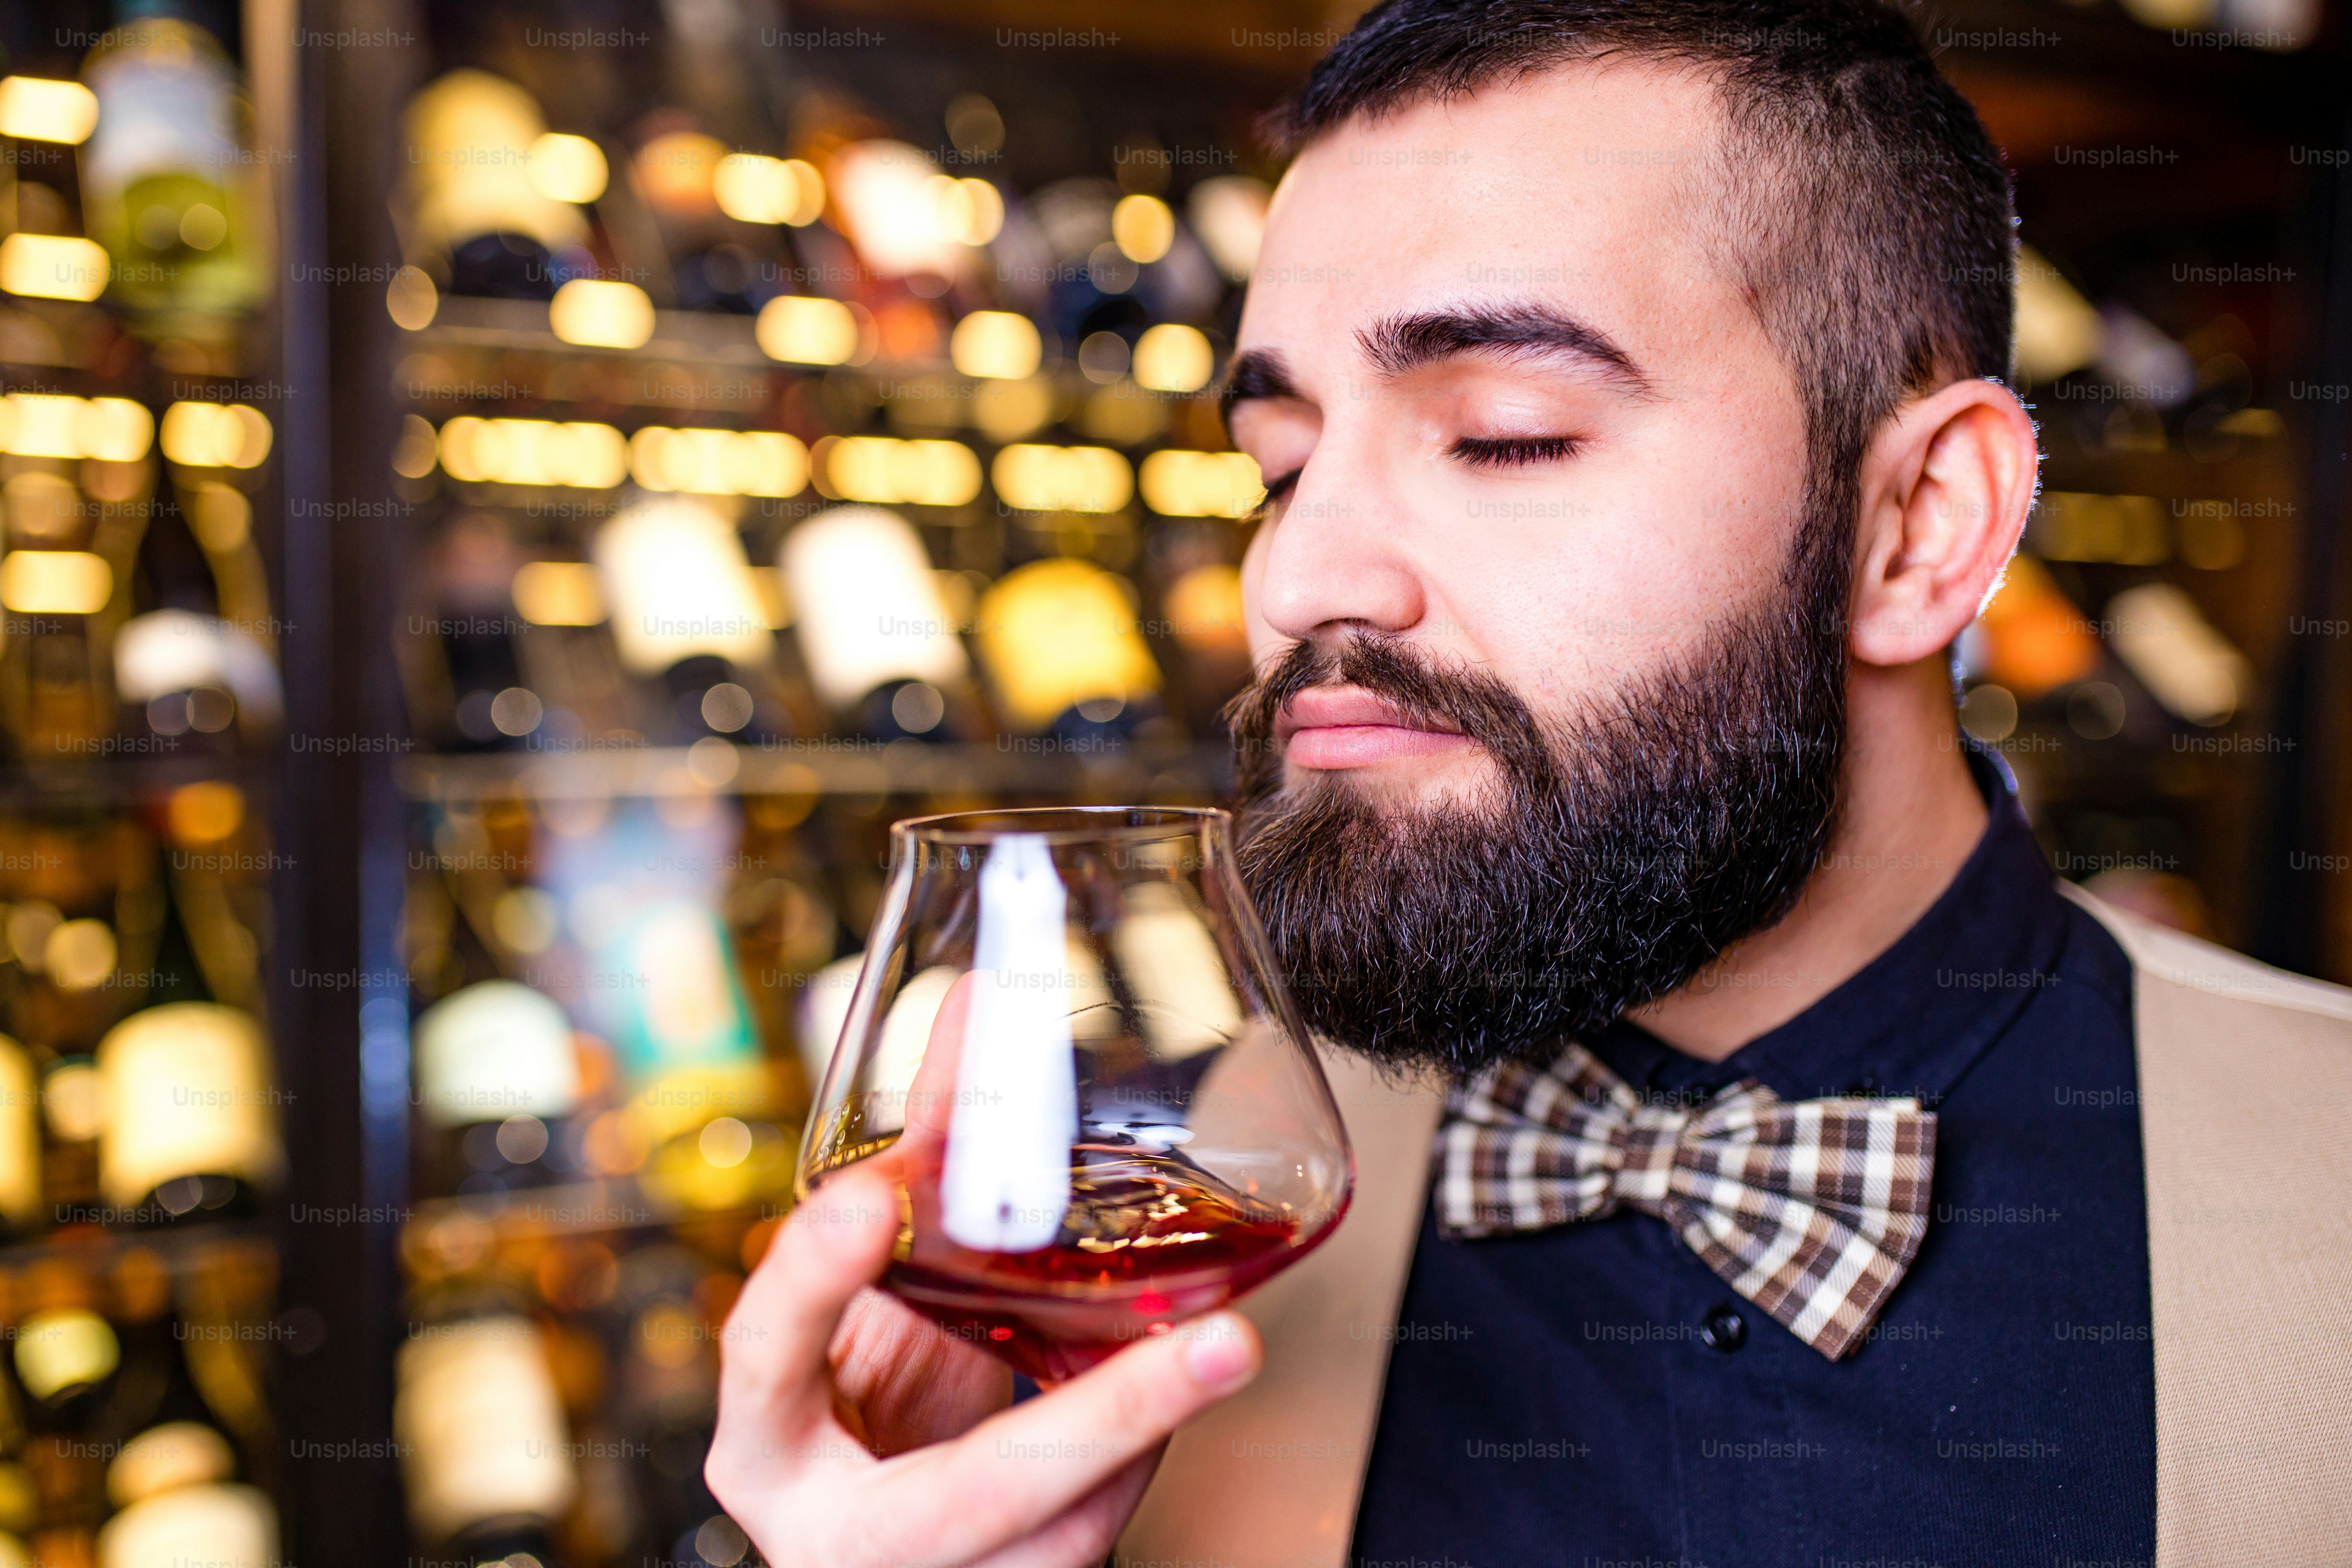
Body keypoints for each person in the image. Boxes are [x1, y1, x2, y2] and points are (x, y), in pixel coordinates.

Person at [706, 1, 2352, 1563]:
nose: (1292, 580)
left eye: (1501, 433)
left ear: (1920, 526)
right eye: (1281, 466)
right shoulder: (1203, 1222)